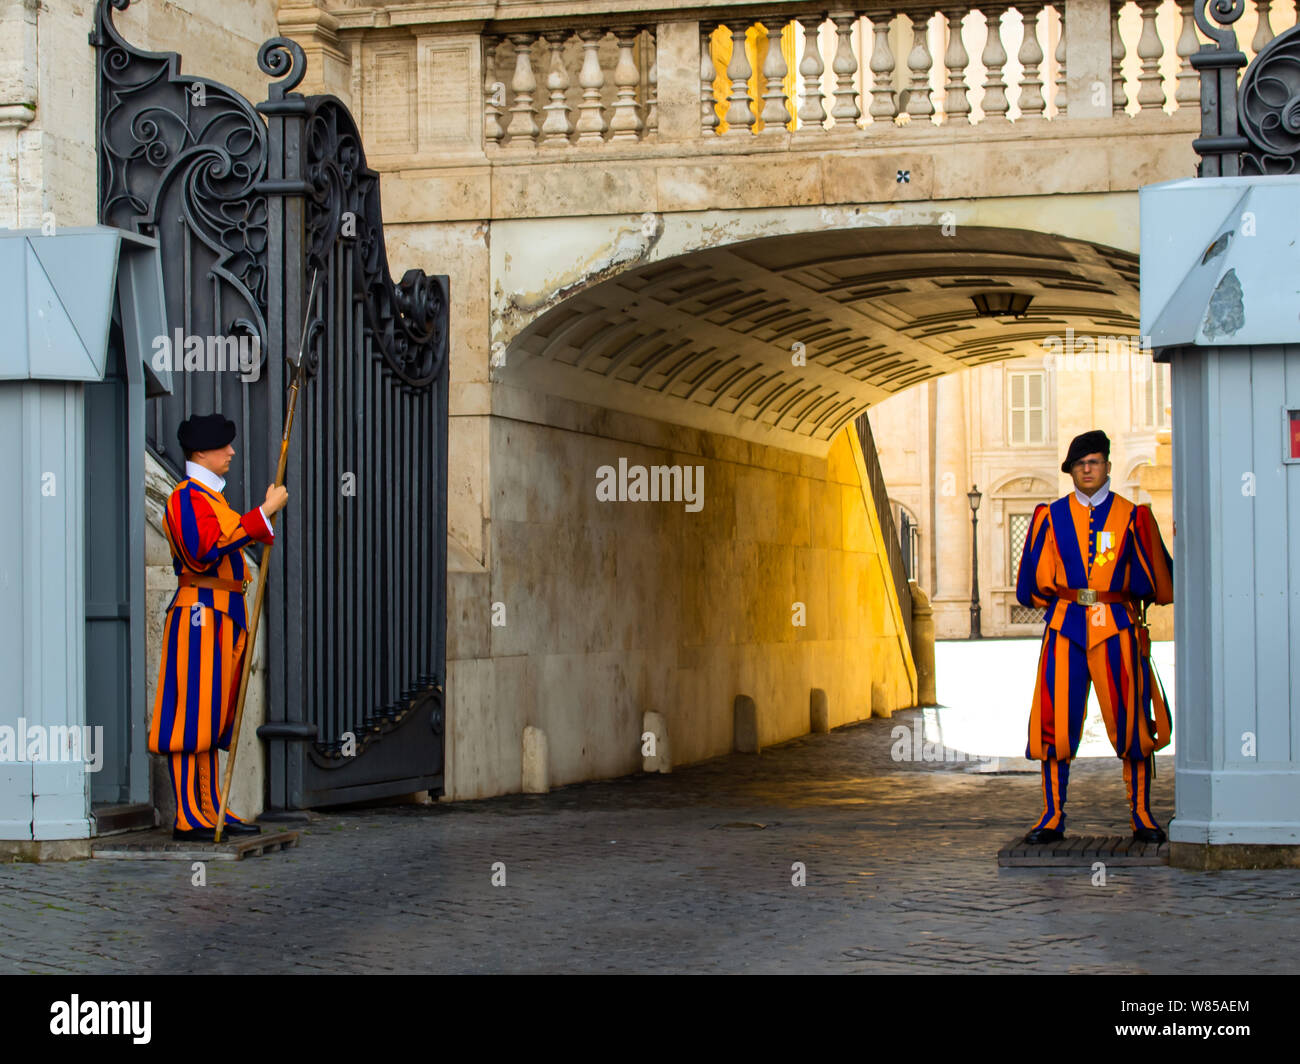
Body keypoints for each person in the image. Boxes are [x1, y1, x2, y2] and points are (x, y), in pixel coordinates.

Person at [1014, 429, 1173, 844]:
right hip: (1065, 625)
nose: (1088, 469)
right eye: (1081, 464)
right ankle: (1051, 815)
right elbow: (1030, 587)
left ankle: (1141, 814)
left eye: (1095, 462)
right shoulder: (1050, 516)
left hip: (1116, 624)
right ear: (1071, 471)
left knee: (1131, 720)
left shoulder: (1132, 516)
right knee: (1054, 721)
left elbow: (1158, 582)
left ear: (1106, 466)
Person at [149, 413, 289, 841]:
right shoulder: (185, 498)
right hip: (200, 615)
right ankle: (190, 815)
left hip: (223, 614)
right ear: (202, 452)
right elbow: (204, 549)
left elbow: (238, 536)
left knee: (212, 716)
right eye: (224, 446)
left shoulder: (212, 499)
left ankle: (211, 807)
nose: (231, 452)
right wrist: (262, 513)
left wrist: (259, 522)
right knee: (191, 716)